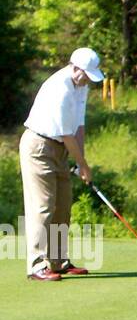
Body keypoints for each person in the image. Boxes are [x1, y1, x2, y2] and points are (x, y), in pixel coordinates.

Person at [19, 48, 105, 282]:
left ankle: (58, 261)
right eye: (84, 74)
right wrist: (83, 165)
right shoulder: (61, 89)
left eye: (89, 75)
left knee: (63, 204)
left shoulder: (81, 86)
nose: (86, 79)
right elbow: (67, 134)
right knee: (44, 205)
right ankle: (36, 265)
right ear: (73, 67)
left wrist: (80, 162)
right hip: (39, 146)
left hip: (60, 149)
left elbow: (79, 126)